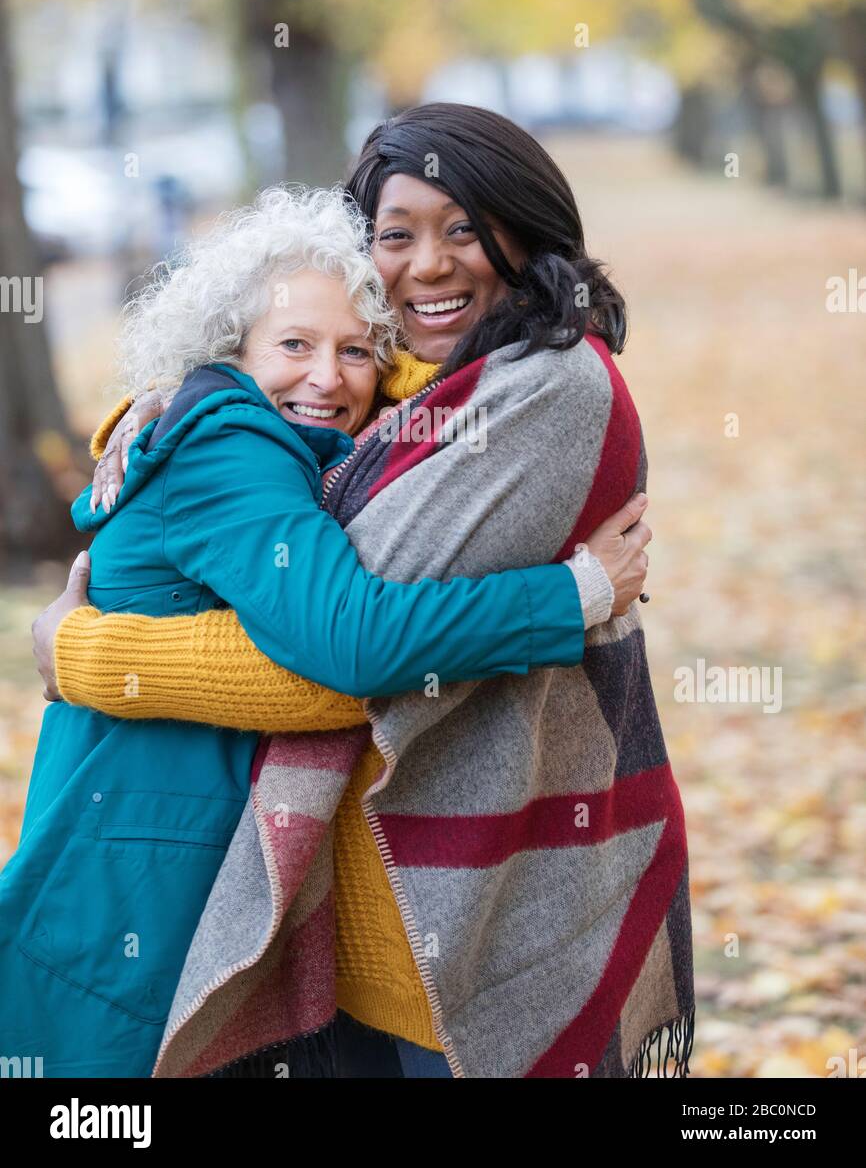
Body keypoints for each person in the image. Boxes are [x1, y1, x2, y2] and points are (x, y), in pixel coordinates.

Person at [32, 104, 683, 1079]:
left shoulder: (513, 392)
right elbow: (348, 652)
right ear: (229, 351)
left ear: (523, 223)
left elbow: (343, 662)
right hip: (153, 845)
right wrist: (572, 593)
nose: (427, 263)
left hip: (436, 905)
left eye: (463, 226)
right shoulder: (245, 439)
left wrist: (84, 648)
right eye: (396, 234)